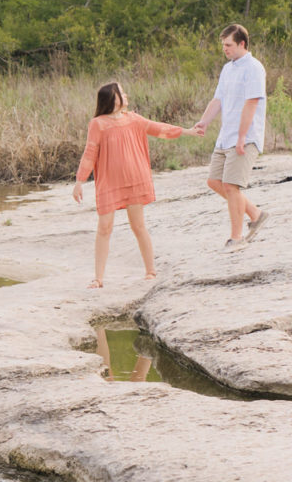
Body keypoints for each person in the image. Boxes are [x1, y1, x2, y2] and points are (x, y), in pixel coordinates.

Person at [72, 81, 191, 288]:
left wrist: (188, 131)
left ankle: (150, 271)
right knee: (104, 228)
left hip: (135, 179)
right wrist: (79, 182)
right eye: (122, 93)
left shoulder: (134, 119)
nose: (126, 95)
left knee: (138, 225)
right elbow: (90, 154)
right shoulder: (98, 124)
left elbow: (159, 129)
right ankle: (98, 278)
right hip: (110, 183)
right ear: (113, 99)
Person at [191, 23, 269, 249]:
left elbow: (251, 103)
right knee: (214, 181)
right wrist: (204, 122)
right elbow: (218, 100)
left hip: (245, 137)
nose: (224, 49)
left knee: (231, 185)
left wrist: (242, 137)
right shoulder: (227, 69)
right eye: (223, 45)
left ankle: (237, 238)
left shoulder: (254, 68)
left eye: (228, 45)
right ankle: (256, 214)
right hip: (226, 136)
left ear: (242, 44)